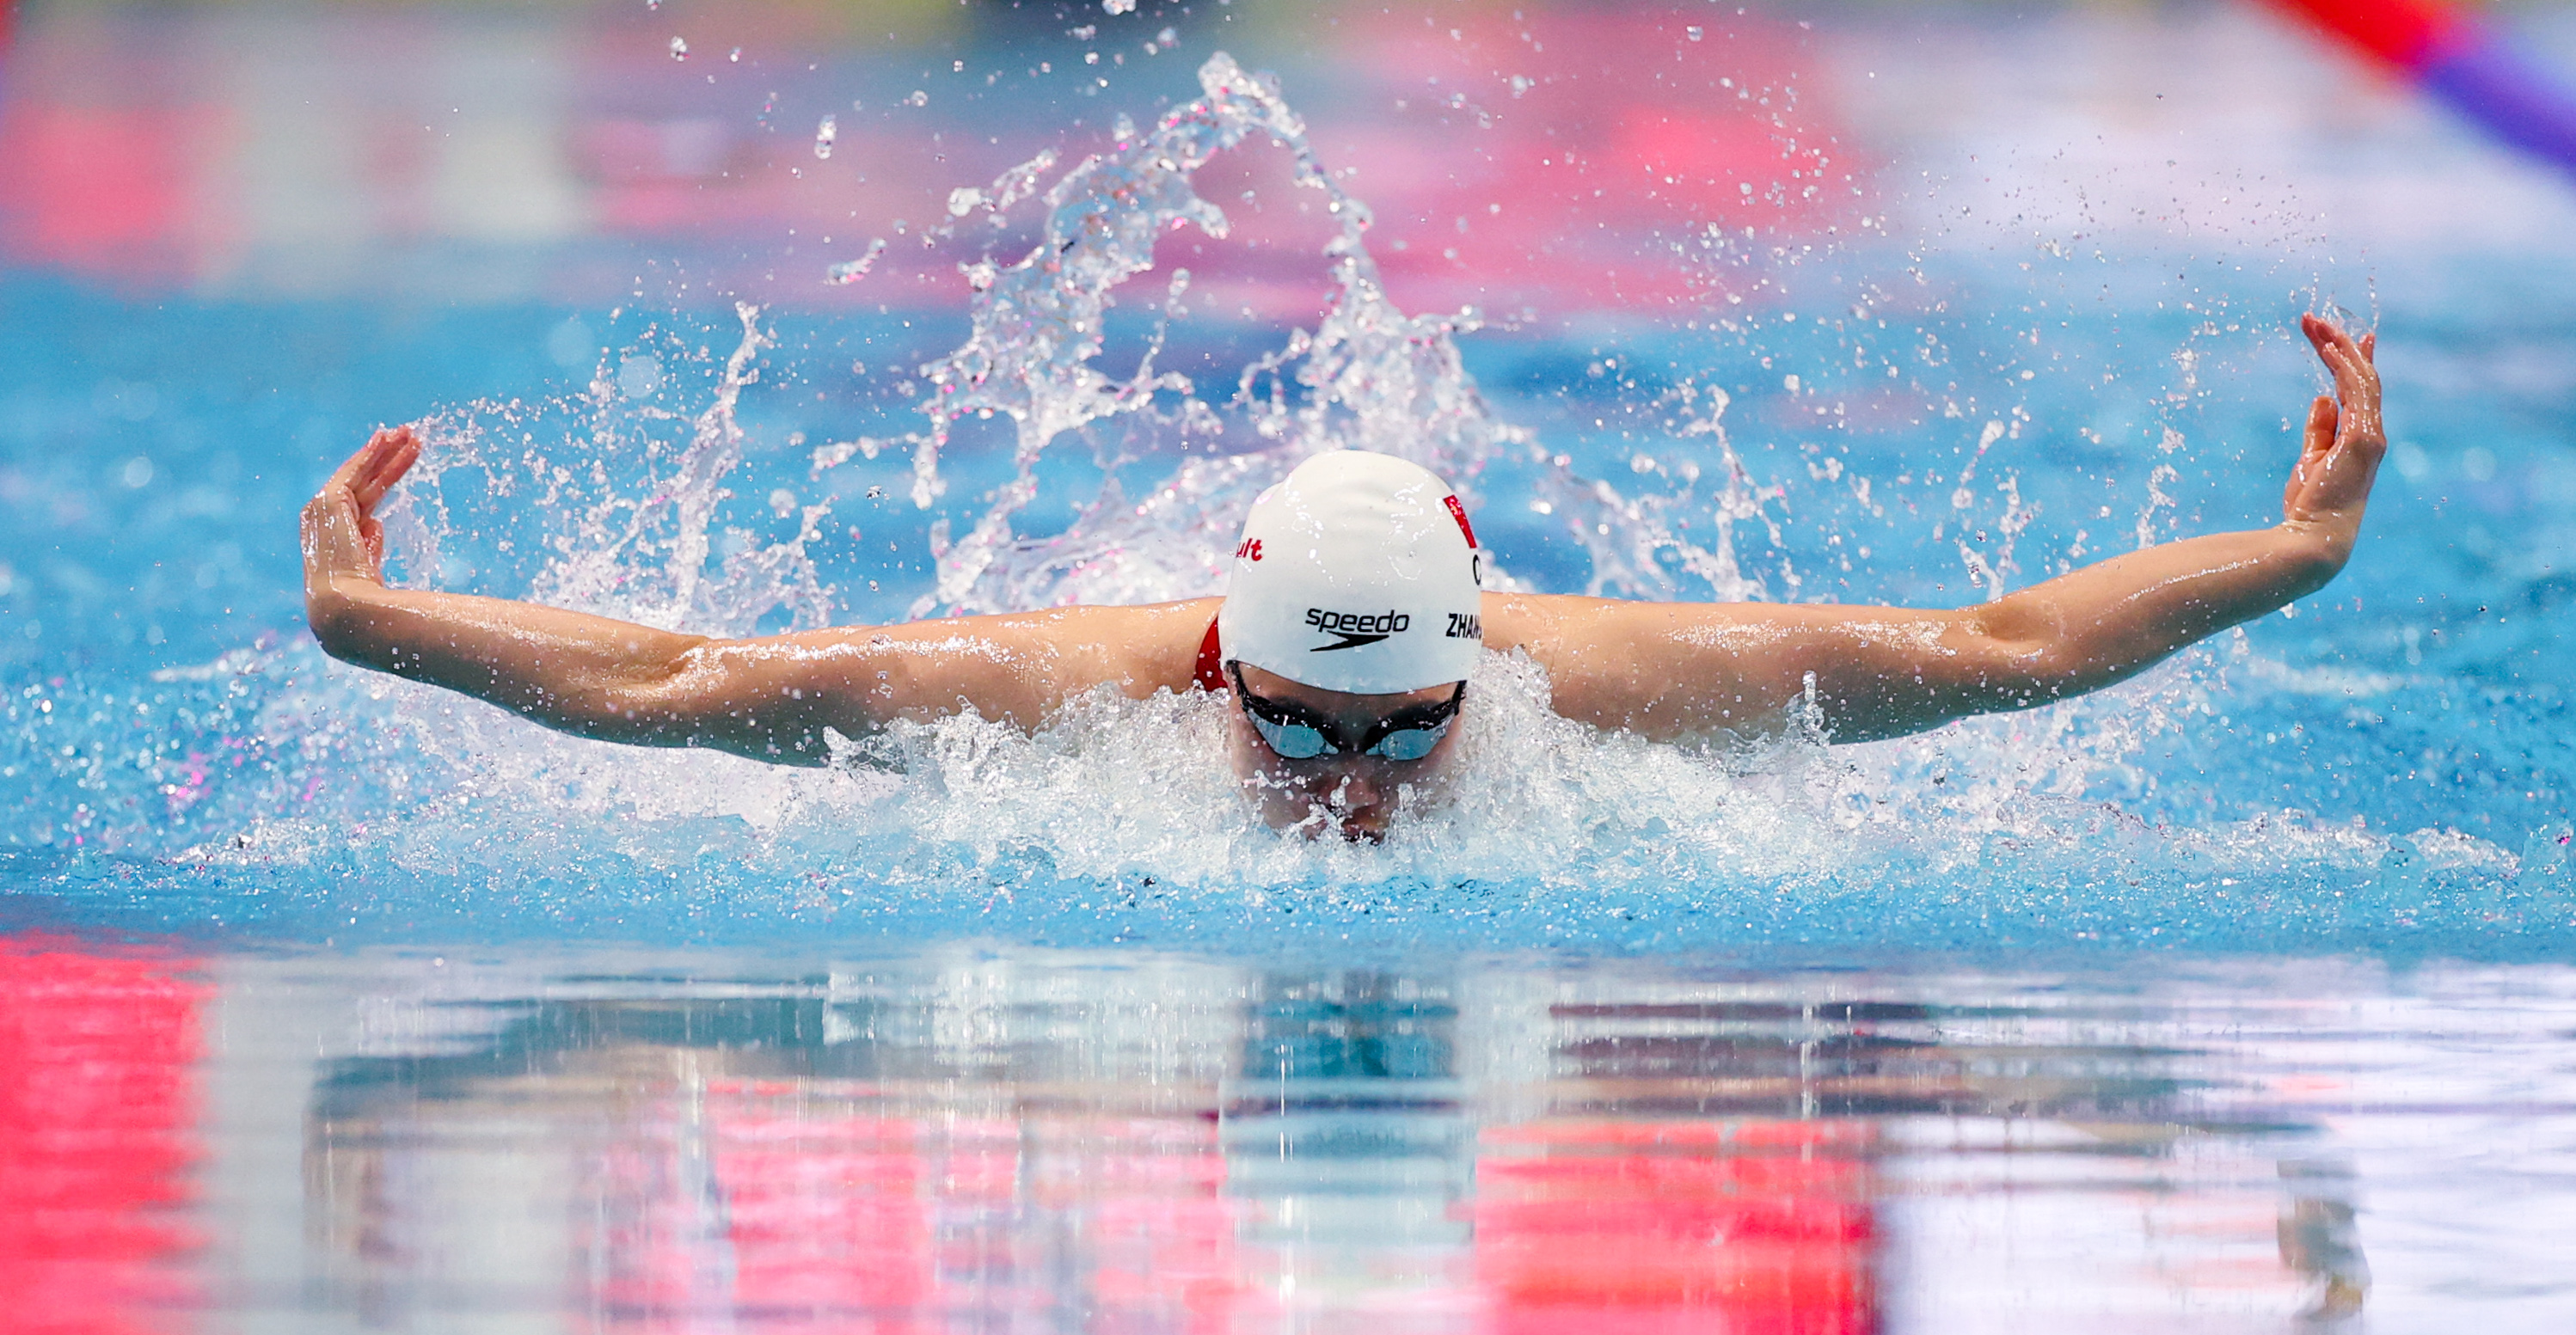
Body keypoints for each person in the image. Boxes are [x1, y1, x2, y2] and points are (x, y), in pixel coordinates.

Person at [303, 314, 2383, 840]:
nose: (1343, 779)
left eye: (1399, 727)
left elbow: (2002, 646)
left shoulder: (1616, 682)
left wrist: (2294, 551)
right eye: (1290, 716)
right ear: (1215, 655)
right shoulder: (1044, 690)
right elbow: (682, 674)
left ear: (1482, 670)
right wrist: (369, 616)